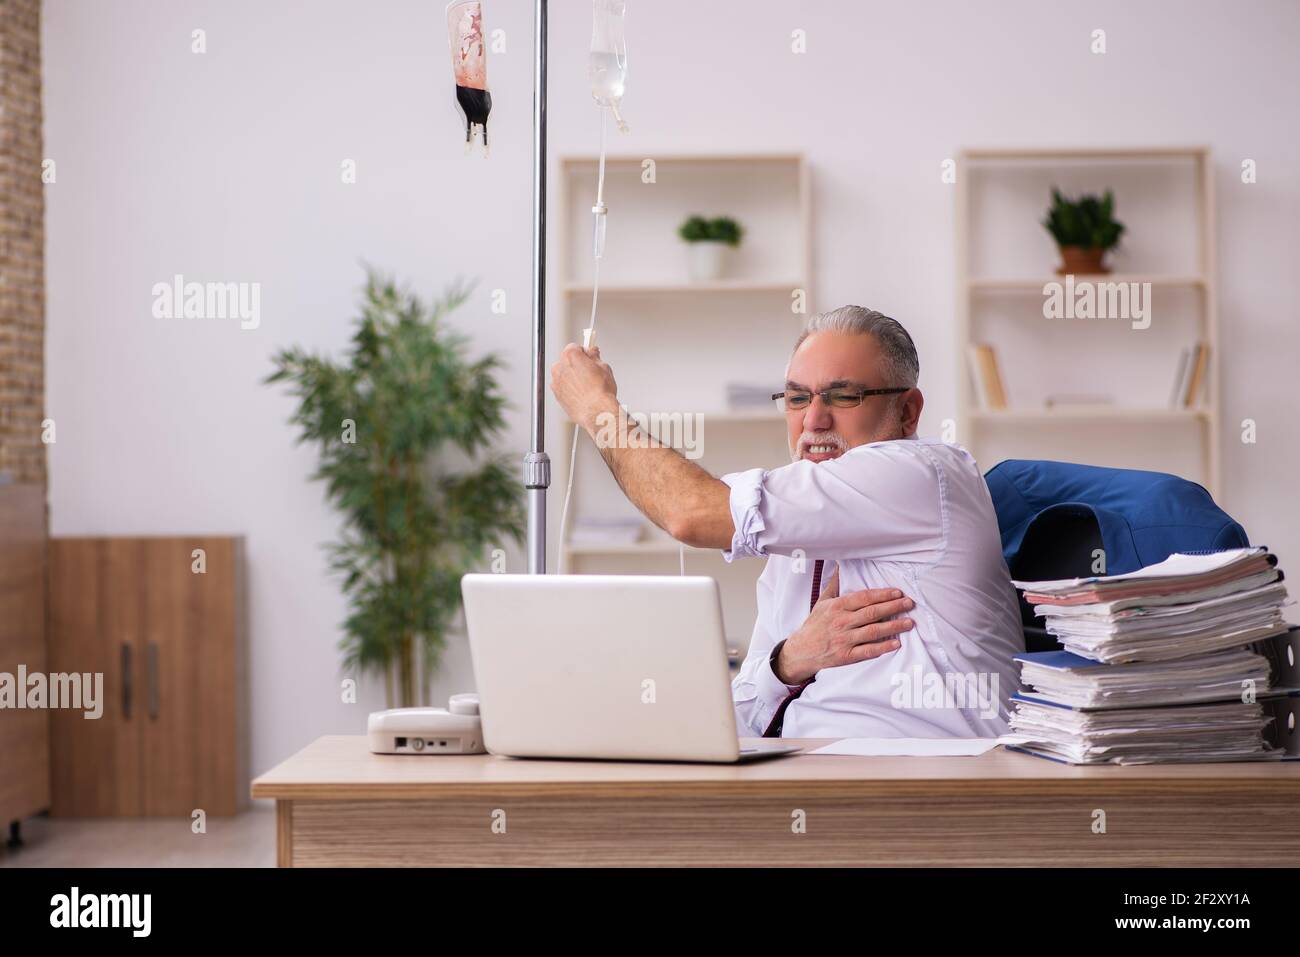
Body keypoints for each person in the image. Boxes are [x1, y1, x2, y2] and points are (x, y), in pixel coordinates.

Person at [549, 305, 1023, 738]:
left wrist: (596, 409)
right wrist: (787, 662)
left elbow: (688, 513)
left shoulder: (919, 474)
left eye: (843, 396)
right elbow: (744, 713)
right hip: (809, 773)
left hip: (933, 776)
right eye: (797, 399)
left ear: (908, 412)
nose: (814, 420)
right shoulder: (795, 532)